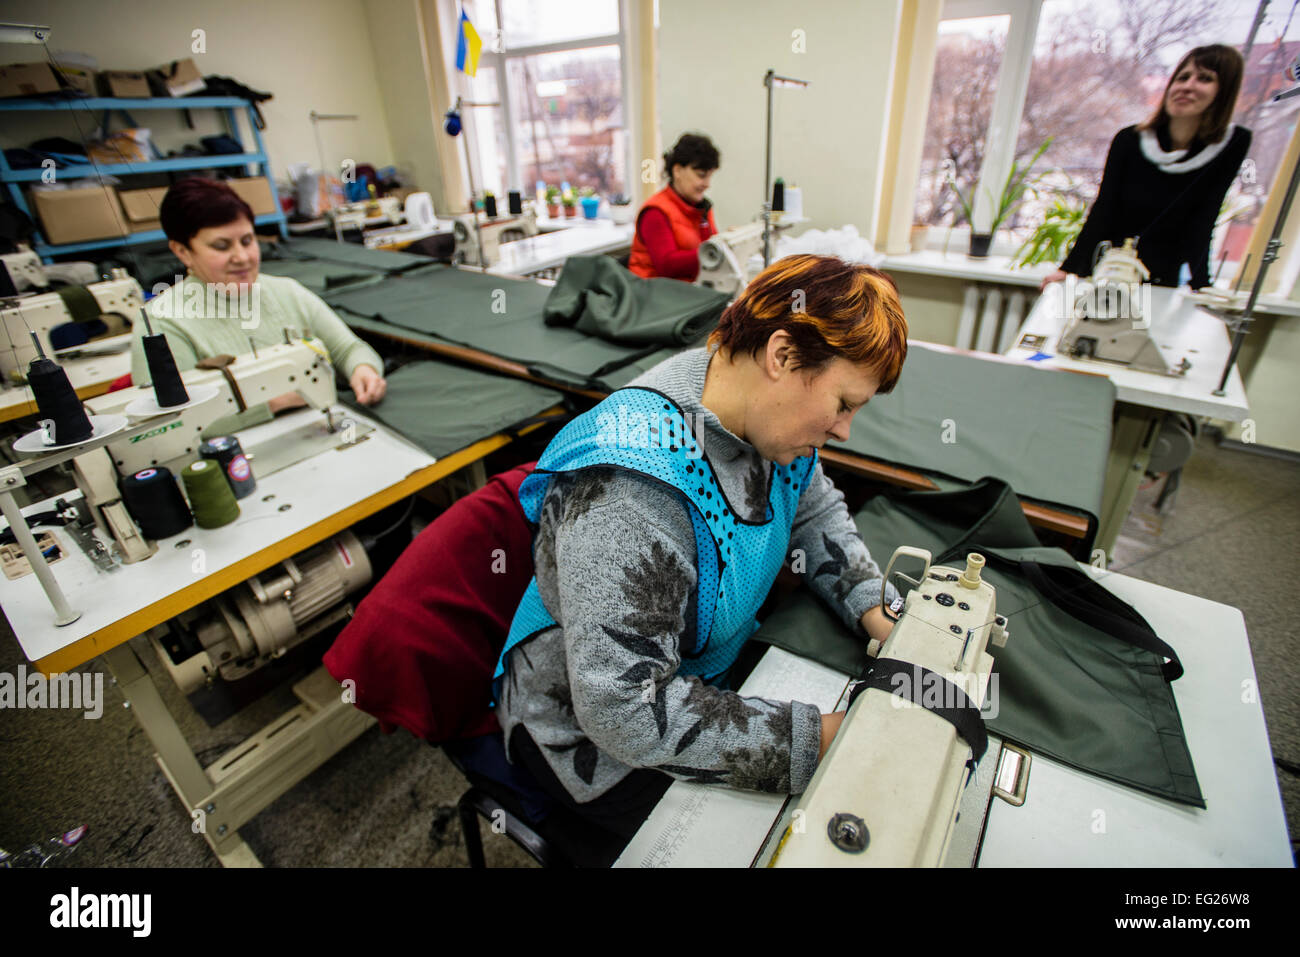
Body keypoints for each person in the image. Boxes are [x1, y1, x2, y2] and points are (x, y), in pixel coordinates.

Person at [493, 254, 908, 862]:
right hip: (584, 730)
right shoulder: (630, 494)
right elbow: (623, 711)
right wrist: (821, 739)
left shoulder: (750, 411)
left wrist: (874, 606)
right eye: (844, 403)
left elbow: (813, 511)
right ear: (784, 355)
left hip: (687, 674)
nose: (845, 430)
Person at [130, 178, 386, 435]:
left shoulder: (287, 292)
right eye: (221, 246)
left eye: (247, 240)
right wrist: (273, 403)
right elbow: (167, 425)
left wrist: (363, 370)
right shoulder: (162, 323)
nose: (241, 257)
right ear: (182, 251)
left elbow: (348, 349)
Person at [1041, 44, 1250, 292]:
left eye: (1205, 79)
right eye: (1182, 77)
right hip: (1109, 265)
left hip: (1163, 276)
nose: (1188, 86)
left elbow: (1205, 216)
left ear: (1224, 91)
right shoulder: (1129, 140)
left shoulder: (1232, 143)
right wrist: (1070, 267)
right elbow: (1104, 208)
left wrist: (1202, 284)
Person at [627, 133, 720, 281]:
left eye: (709, 176)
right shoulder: (655, 212)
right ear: (677, 171)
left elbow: (711, 249)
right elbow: (667, 265)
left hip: (686, 290)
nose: (707, 184)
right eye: (701, 175)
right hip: (655, 294)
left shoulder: (702, 209)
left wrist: (725, 244)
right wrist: (715, 252)